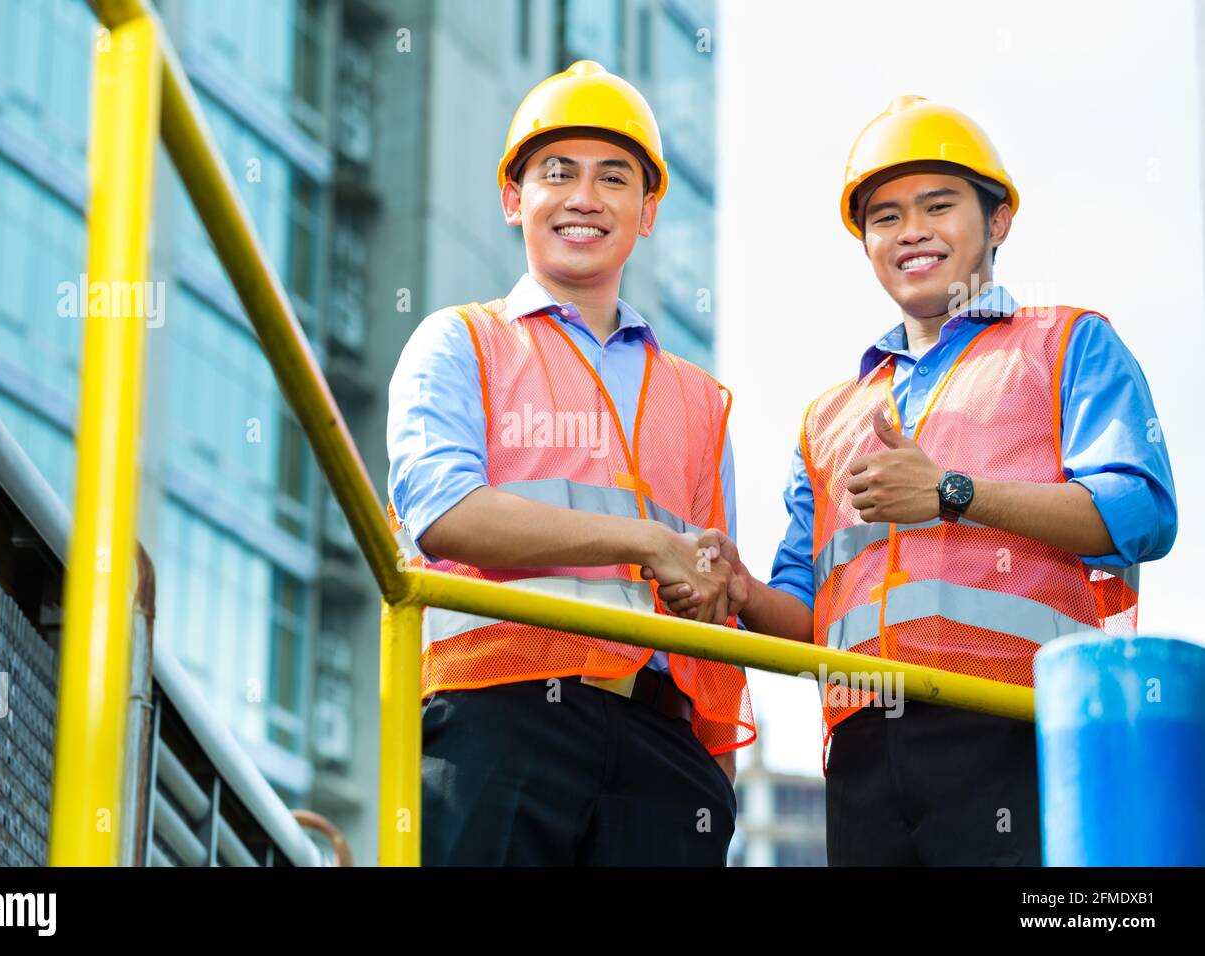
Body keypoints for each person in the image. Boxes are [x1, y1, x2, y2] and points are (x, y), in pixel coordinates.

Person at [653, 96, 1178, 865]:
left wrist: (951, 494)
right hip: (865, 757)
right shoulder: (828, 419)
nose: (912, 232)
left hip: (1016, 731)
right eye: (886, 216)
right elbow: (807, 616)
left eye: (939, 206)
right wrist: (741, 590)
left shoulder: (1068, 344)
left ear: (997, 222)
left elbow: (1143, 513)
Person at [386, 61, 756, 866]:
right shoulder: (459, 343)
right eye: (558, 173)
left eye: (613, 177)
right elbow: (446, 513)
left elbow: (715, 624)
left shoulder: (699, 400)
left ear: (649, 210)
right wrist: (648, 544)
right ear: (514, 198)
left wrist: (712, 784)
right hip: (496, 716)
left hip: (660, 751)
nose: (585, 197)